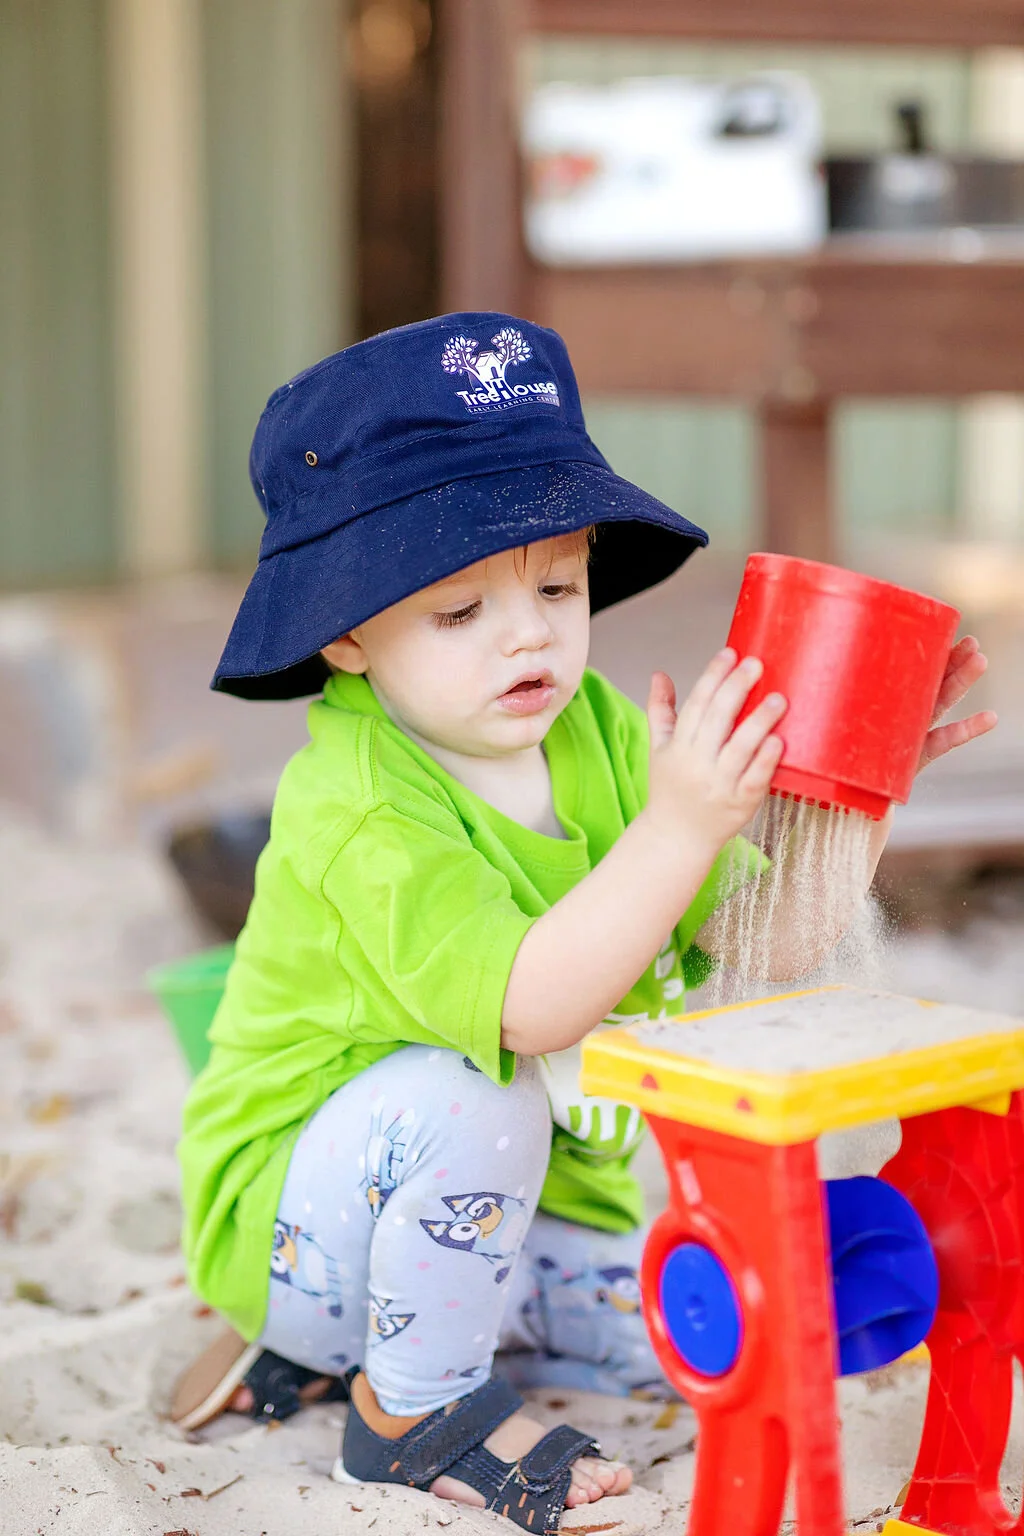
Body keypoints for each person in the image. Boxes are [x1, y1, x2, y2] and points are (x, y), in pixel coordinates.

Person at [173, 313, 995, 1530]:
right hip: (312, 1228)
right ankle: (406, 1408)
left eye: (557, 584)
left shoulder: (601, 735)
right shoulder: (354, 805)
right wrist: (678, 828)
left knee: (721, 1325)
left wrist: (844, 802)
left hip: (515, 1235)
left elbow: (749, 947)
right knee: (476, 1089)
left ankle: (434, 1347)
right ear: (343, 634)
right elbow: (532, 1005)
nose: (530, 635)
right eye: (459, 610)